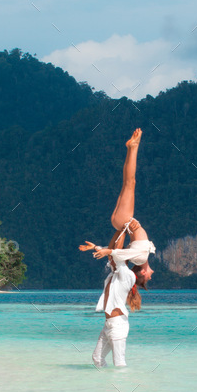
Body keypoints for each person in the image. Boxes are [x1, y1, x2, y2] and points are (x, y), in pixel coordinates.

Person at [79, 128, 155, 367]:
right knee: (128, 183)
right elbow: (117, 259)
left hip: (123, 222)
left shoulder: (138, 259)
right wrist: (101, 248)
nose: (152, 273)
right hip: (121, 224)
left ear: (141, 273)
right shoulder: (134, 262)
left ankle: (133, 148)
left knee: (130, 183)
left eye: (149, 276)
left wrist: (106, 250)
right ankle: (131, 148)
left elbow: (119, 256)